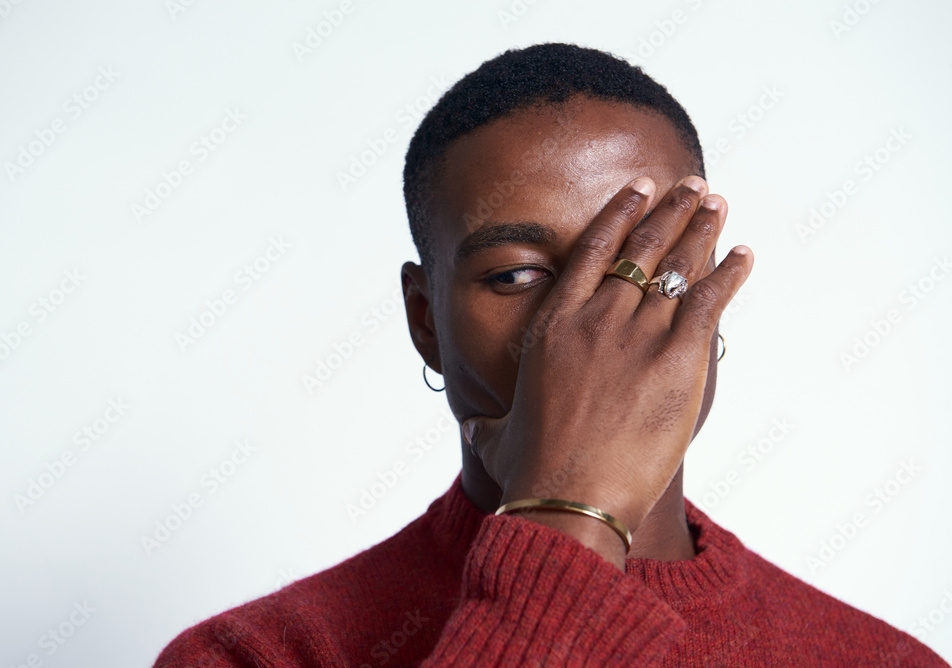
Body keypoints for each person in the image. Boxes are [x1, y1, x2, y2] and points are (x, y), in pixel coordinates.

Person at [153, 43, 948, 667]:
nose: (591, 323)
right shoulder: (256, 656)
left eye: (649, 262)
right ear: (426, 320)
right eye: (518, 276)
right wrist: (571, 518)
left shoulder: (883, 662)